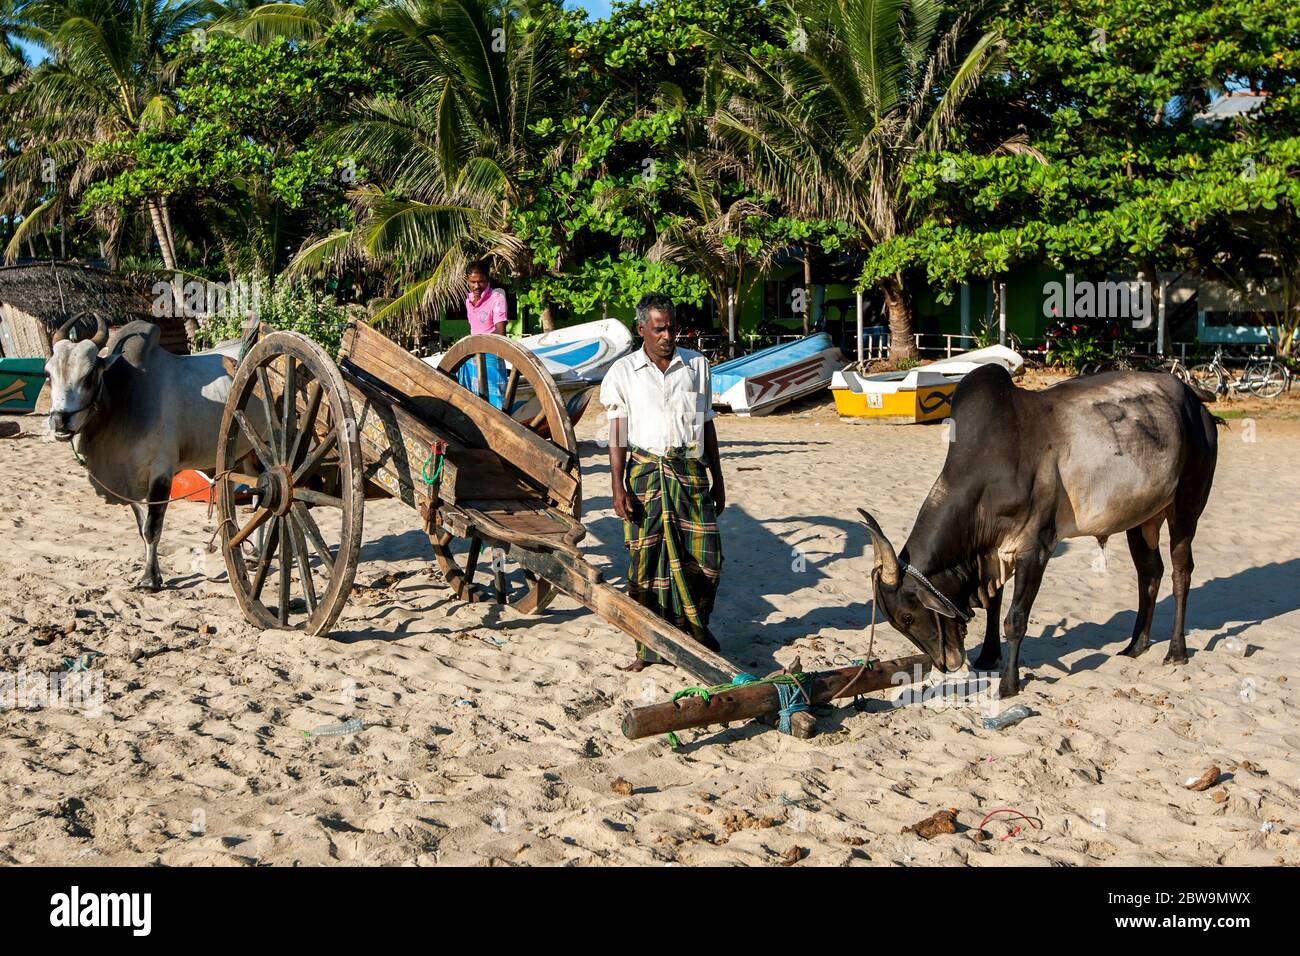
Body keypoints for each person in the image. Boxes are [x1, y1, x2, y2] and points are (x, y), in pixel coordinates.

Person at [600, 293, 726, 670]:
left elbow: (707, 425)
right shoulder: (623, 373)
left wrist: (718, 479)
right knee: (646, 563)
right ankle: (647, 647)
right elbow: (618, 433)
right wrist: (617, 486)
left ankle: (694, 632)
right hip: (645, 477)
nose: (668, 335)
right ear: (642, 330)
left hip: (689, 474)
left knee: (707, 562)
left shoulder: (697, 366)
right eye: (659, 329)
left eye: (671, 327)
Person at [458, 259, 508, 407]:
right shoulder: (468, 300)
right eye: (473, 282)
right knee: (471, 399)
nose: (477, 286)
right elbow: (473, 328)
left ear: (488, 279)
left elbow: (500, 332)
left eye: (481, 281)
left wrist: (488, 347)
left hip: (491, 355)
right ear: (467, 279)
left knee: (495, 401)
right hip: (472, 356)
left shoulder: (497, 299)